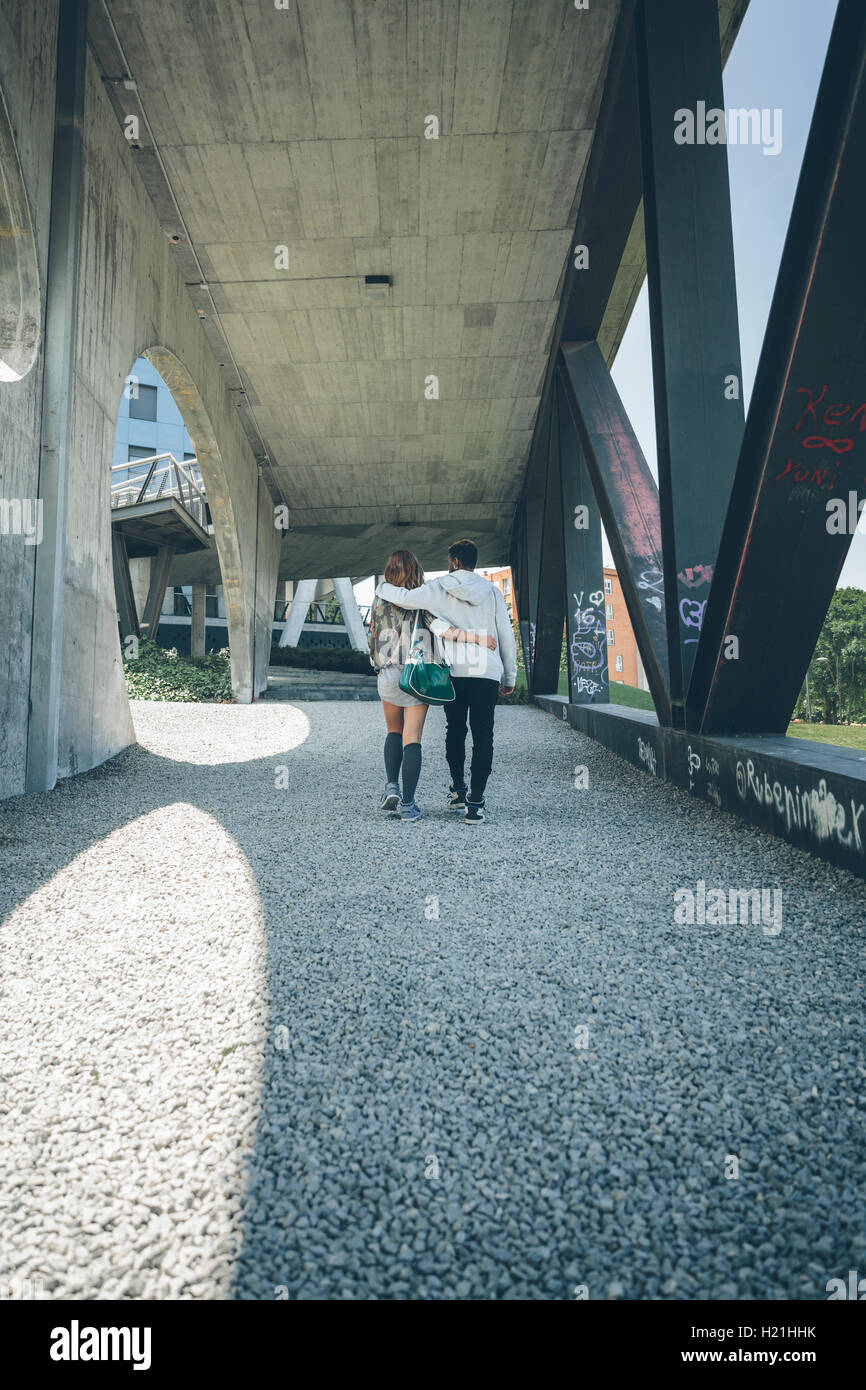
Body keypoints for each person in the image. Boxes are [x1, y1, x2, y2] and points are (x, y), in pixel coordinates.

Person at [376, 539, 517, 823]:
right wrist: (509, 674)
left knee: (455, 731)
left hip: (453, 669)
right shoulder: (491, 592)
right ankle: (475, 804)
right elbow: (505, 634)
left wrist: (382, 586)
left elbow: (403, 599)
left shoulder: (439, 587)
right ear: (474, 562)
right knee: (483, 735)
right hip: (486, 670)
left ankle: (457, 791)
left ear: (454, 561)